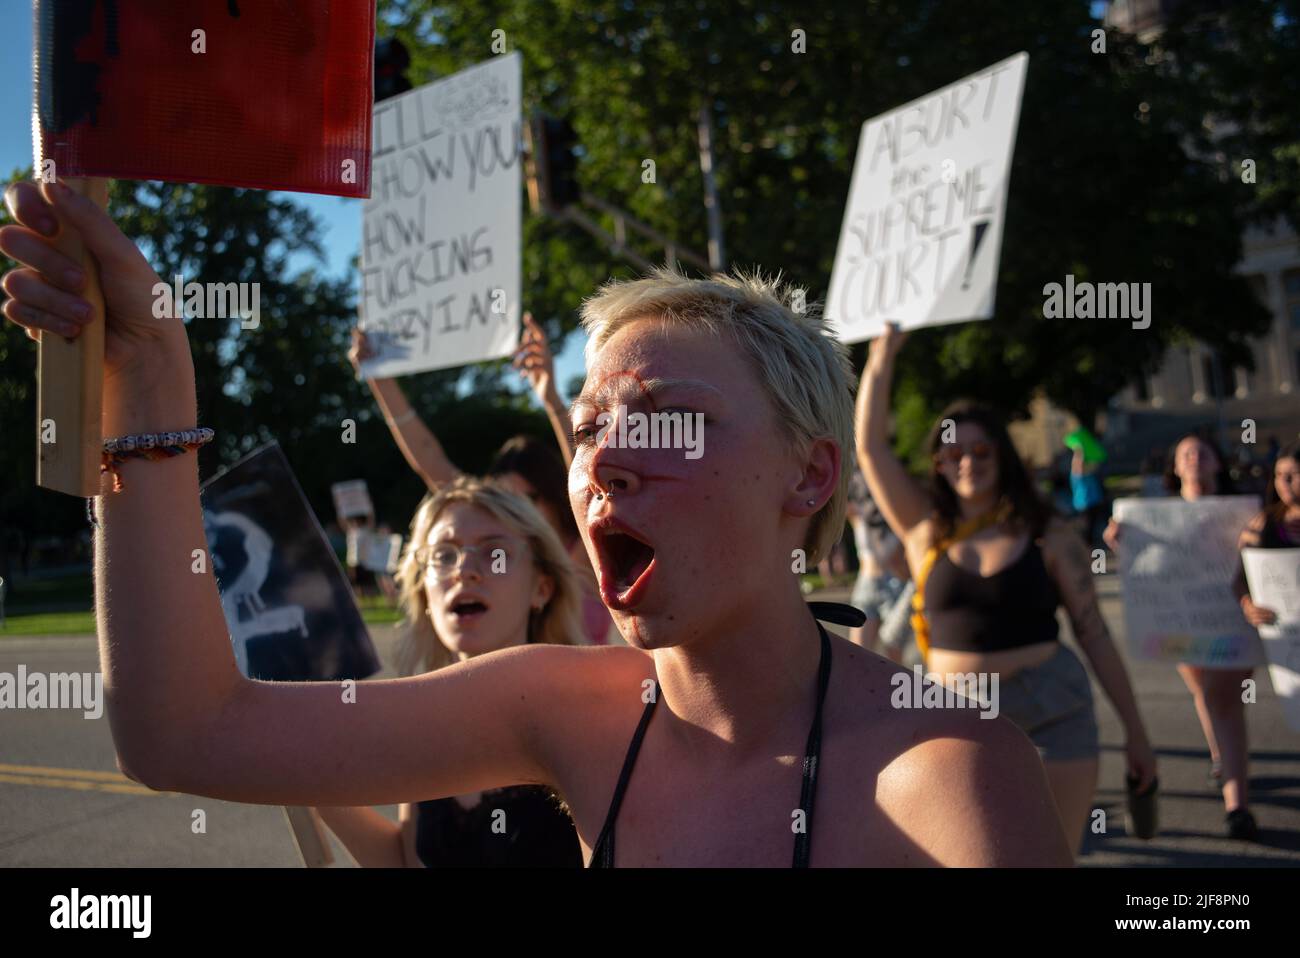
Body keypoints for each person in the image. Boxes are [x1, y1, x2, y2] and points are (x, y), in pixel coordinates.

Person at [0, 181, 1070, 866]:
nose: (601, 455)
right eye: (593, 422)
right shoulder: (558, 708)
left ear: (808, 474)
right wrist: (149, 382)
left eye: (670, 419)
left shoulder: (950, 775)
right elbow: (181, 732)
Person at [856, 323, 1156, 855]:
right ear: (938, 464)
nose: (967, 462)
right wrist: (881, 358)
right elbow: (871, 447)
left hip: (1053, 706)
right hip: (954, 711)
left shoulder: (1049, 533)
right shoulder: (924, 530)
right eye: (952, 454)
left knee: (1056, 856)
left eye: (981, 451)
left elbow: (1095, 635)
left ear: (1002, 457)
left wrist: (1136, 732)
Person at [312, 478, 585, 867]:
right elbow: (406, 860)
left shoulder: (586, 718)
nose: (465, 571)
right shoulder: (422, 724)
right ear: (424, 590)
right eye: (443, 555)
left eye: (494, 553)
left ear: (542, 588)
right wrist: (317, 790)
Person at [348, 320, 616, 646]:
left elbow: (587, 475)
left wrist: (551, 399)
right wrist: (379, 379)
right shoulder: (492, 546)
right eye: (502, 497)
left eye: (527, 498)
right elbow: (430, 460)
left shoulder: (585, 549)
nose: (510, 508)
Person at [1104, 431, 1260, 840]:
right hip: (1181, 624)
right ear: (1174, 467)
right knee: (1203, 693)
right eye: (1185, 453)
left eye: (1202, 452)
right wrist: (1121, 545)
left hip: (1229, 622)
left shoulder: (1244, 512)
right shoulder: (1154, 519)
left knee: (1221, 700)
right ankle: (1220, 759)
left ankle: (1237, 804)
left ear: (1216, 462)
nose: (1193, 458)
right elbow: (1150, 570)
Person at [845, 468, 908, 660]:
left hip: (894, 584)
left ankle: (896, 690)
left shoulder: (896, 514)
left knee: (893, 657)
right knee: (856, 656)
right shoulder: (858, 513)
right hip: (867, 583)